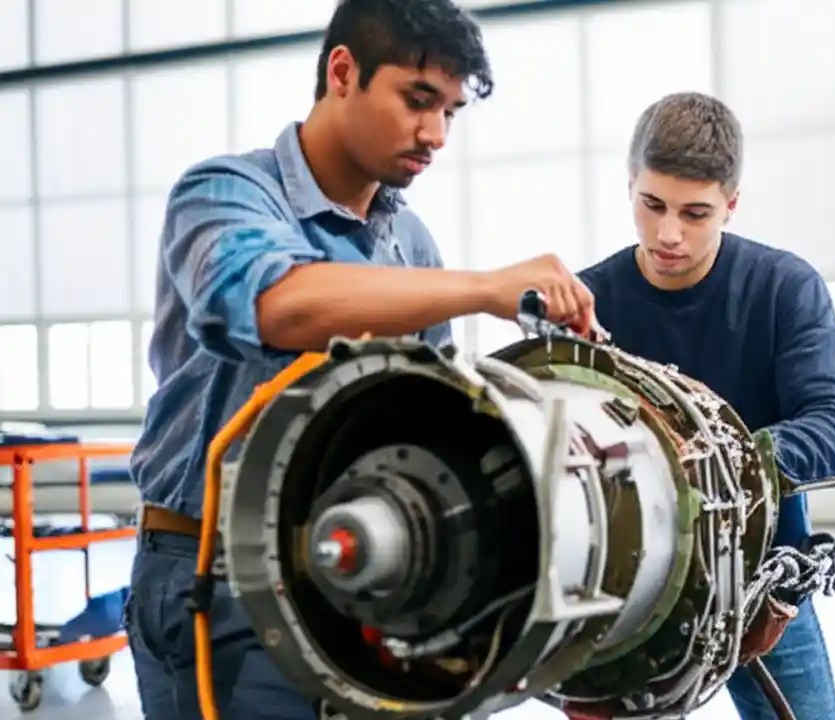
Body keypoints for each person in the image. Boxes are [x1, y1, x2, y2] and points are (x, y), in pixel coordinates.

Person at [125, 1, 594, 717]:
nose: (435, 134)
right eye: (418, 100)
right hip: (210, 576)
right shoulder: (225, 195)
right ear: (343, 72)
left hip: (363, 569)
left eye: (451, 113)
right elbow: (277, 306)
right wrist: (483, 289)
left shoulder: (411, 246)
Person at [577, 92, 835, 719]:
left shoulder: (784, 289)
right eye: (651, 205)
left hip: (760, 575)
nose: (668, 233)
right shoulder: (589, 302)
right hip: (626, 588)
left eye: (695, 213)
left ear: (732, 204)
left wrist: (721, 463)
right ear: (630, 184)